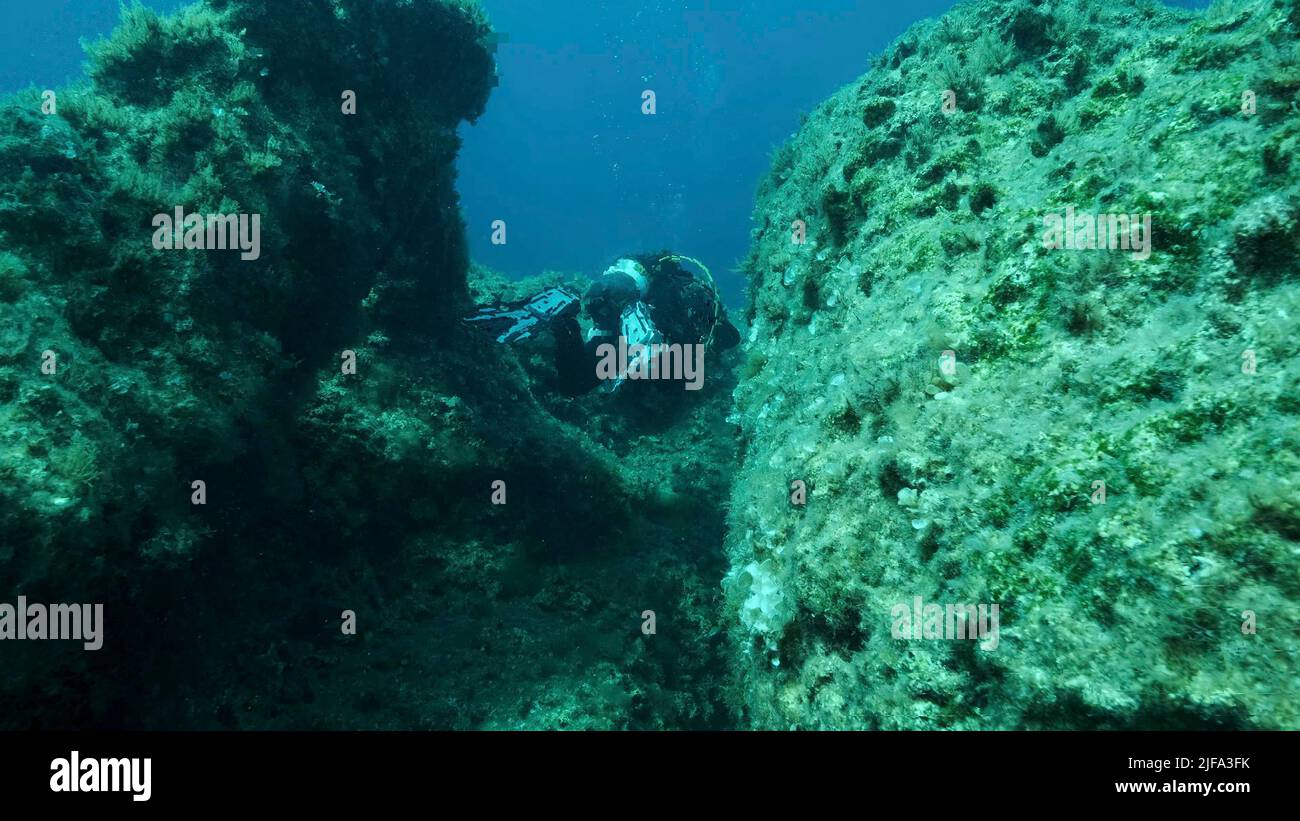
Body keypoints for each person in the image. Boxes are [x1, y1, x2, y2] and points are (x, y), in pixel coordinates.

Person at [466, 253, 741, 396]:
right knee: (674, 378)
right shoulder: (682, 294)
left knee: (575, 383)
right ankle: (569, 325)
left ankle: (566, 324)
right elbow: (728, 338)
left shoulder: (667, 291)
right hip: (629, 320)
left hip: (613, 310)